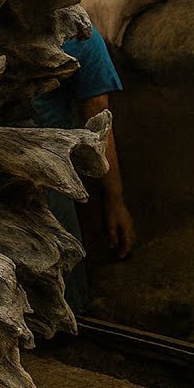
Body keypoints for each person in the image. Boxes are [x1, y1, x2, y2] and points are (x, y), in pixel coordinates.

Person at [33, 25, 135, 314]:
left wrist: (115, 202)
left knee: (62, 288)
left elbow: (99, 126)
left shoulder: (80, 36)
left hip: (48, 172)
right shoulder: (81, 35)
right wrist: (115, 203)